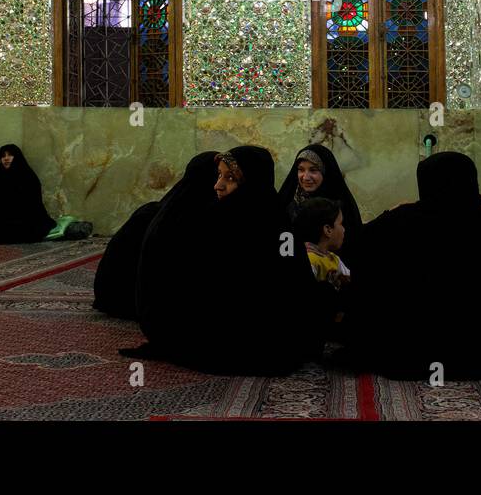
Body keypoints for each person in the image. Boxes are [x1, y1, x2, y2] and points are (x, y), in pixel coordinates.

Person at [130, 145, 317, 375]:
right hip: (265, 347)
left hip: (244, 346)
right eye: (219, 175)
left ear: (251, 182)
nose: (218, 185)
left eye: (230, 178)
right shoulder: (215, 222)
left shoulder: (274, 226)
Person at [343, 151, 481, 379]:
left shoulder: (399, 222)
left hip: (405, 355)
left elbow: (357, 252)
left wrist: (393, 212)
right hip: (479, 356)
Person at [93, 151, 219, 320]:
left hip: (114, 297)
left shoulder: (160, 210)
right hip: (134, 302)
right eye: (221, 176)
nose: (221, 184)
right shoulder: (182, 221)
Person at [277, 144, 363, 262]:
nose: (306, 177)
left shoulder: (340, 208)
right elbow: (282, 246)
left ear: (325, 172)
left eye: (313, 170)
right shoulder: (287, 204)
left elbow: (353, 246)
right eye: (301, 170)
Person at [293, 196, 352, 336]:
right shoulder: (310, 260)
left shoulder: (333, 258)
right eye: (341, 224)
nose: (344, 229)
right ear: (328, 230)